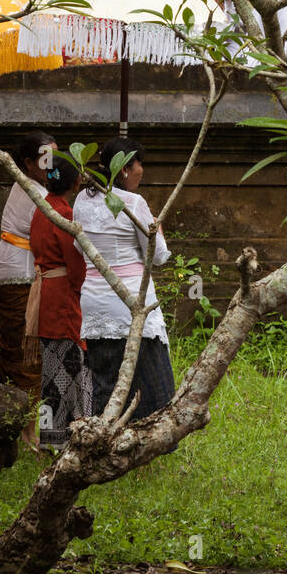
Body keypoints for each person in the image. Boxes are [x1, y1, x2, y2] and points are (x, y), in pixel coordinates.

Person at [72, 137, 174, 419]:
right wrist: (159, 231)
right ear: (125, 169)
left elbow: (81, 247)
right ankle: (146, 436)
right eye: (140, 163)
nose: (142, 170)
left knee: (103, 378)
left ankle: (102, 436)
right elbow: (158, 255)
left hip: (94, 301)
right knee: (148, 378)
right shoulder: (132, 203)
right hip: (130, 303)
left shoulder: (82, 199)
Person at [0, 132, 56, 418]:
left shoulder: (30, 186)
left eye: (56, 157)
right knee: (26, 350)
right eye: (45, 158)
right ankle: (24, 424)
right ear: (29, 162)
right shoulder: (36, 194)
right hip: (18, 274)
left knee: (15, 347)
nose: (52, 163)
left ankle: (10, 416)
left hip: (12, 270)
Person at [28, 155, 90, 449]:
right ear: (76, 182)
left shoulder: (41, 209)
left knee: (51, 373)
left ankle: (49, 439)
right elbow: (76, 267)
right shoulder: (63, 214)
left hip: (45, 294)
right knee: (67, 371)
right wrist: (82, 291)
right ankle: (60, 440)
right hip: (63, 297)